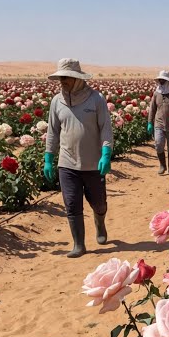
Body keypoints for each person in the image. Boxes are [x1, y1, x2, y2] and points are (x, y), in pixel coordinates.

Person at [43, 58, 114, 258]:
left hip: (93, 163)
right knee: (72, 204)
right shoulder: (57, 101)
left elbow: (105, 129)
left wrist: (106, 154)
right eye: (60, 78)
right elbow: (52, 132)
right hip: (67, 163)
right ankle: (79, 245)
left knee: (98, 203)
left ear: (77, 78)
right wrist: (49, 157)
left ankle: (99, 222)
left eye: (66, 77)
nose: (62, 81)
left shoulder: (96, 99)